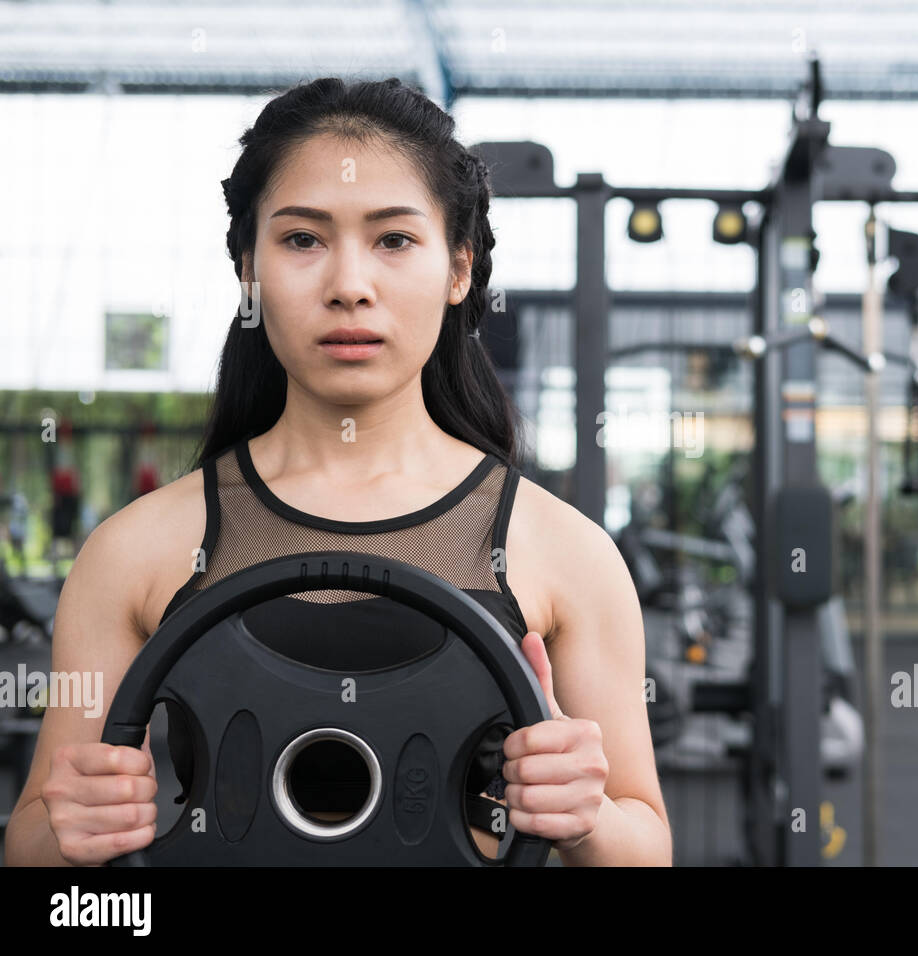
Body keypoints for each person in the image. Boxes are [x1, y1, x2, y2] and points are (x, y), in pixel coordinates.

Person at [4, 77, 672, 867]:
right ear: (248, 269)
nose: (350, 286)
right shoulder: (134, 550)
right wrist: (72, 828)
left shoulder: (566, 551)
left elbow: (645, 845)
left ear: (459, 269)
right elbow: (32, 840)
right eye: (302, 240)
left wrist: (587, 815)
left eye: (394, 240)